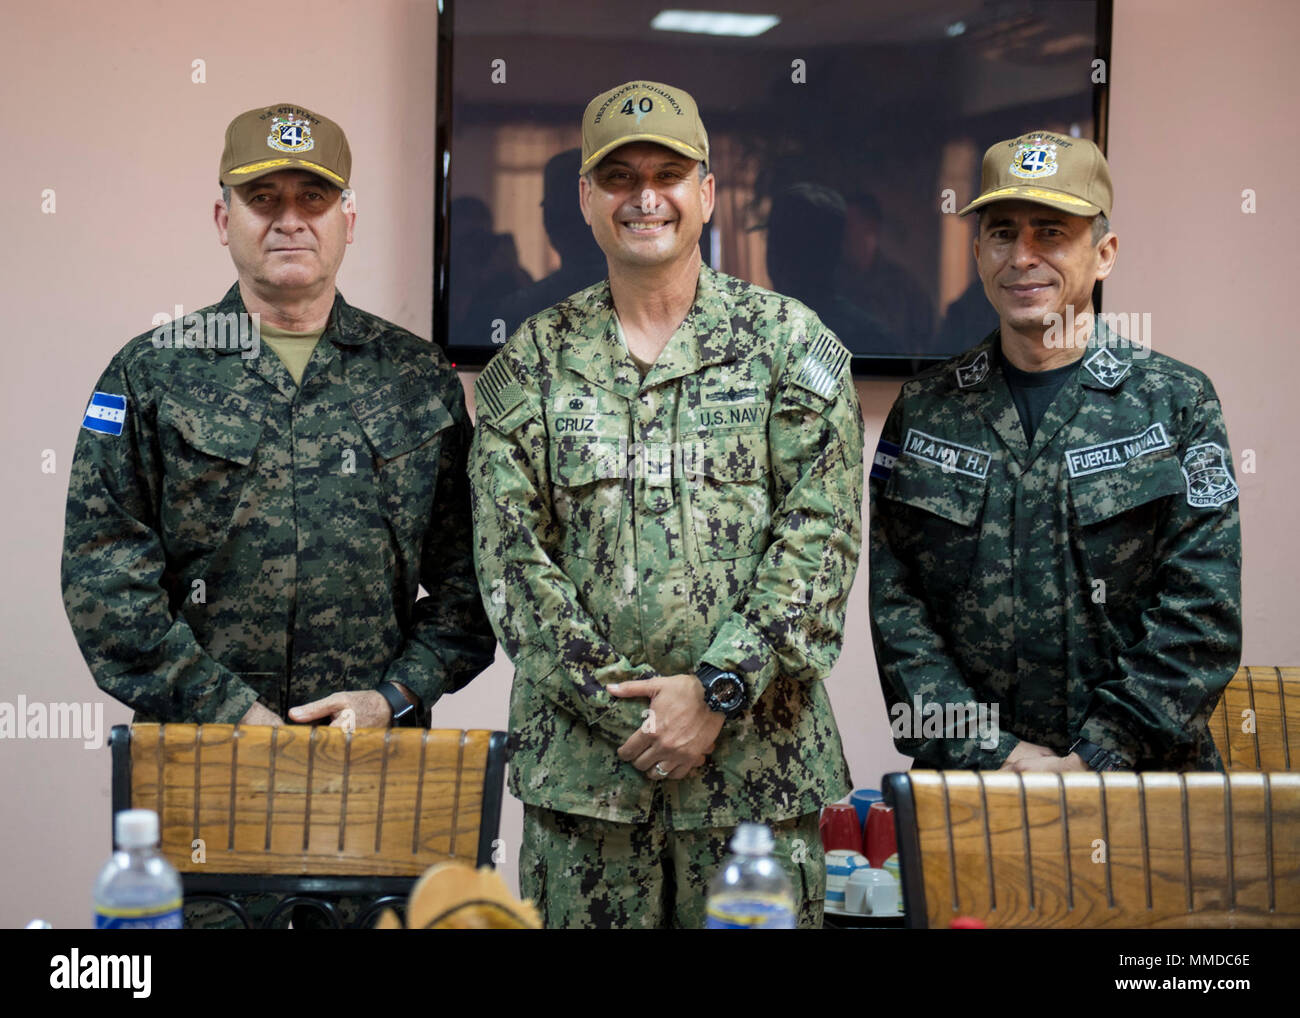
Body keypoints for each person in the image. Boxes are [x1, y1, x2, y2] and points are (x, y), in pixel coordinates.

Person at [62, 102, 496, 923]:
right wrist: (231, 714)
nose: (291, 221)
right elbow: (105, 589)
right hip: (201, 786)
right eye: (265, 200)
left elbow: (474, 592)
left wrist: (394, 696)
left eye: (314, 198)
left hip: (375, 788)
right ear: (224, 217)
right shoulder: (151, 375)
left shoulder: (417, 380)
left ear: (349, 218)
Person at [469, 81, 864, 928]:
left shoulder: (791, 345)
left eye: (669, 174)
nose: (645, 197)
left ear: (707, 191)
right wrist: (636, 714)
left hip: (757, 782)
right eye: (619, 176)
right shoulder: (532, 363)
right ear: (586, 197)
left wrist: (715, 692)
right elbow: (512, 569)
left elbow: (819, 543)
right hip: (588, 791)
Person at [869, 131, 1241, 773]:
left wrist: (1097, 757)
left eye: (1051, 232)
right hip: (974, 791)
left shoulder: (1175, 402)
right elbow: (897, 610)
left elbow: (1202, 610)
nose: (1023, 257)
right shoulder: (925, 409)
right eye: (1003, 232)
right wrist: (992, 754)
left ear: (1104, 254)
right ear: (977, 250)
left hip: (1143, 792)